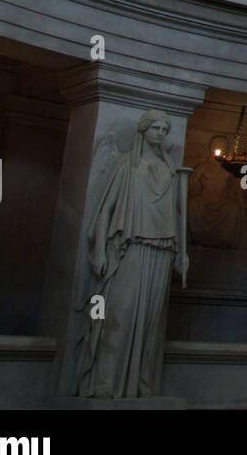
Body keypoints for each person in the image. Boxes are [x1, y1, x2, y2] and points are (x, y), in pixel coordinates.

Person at [74, 111, 186, 398]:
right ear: (144, 131)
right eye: (156, 128)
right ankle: (104, 384)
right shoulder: (128, 165)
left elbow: (177, 214)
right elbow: (105, 212)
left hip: (161, 251)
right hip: (130, 248)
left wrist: (181, 252)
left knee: (151, 323)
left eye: (165, 129)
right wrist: (98, 251)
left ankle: (140, 384)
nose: (161, 133)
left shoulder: (170, 170)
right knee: (119, 315)